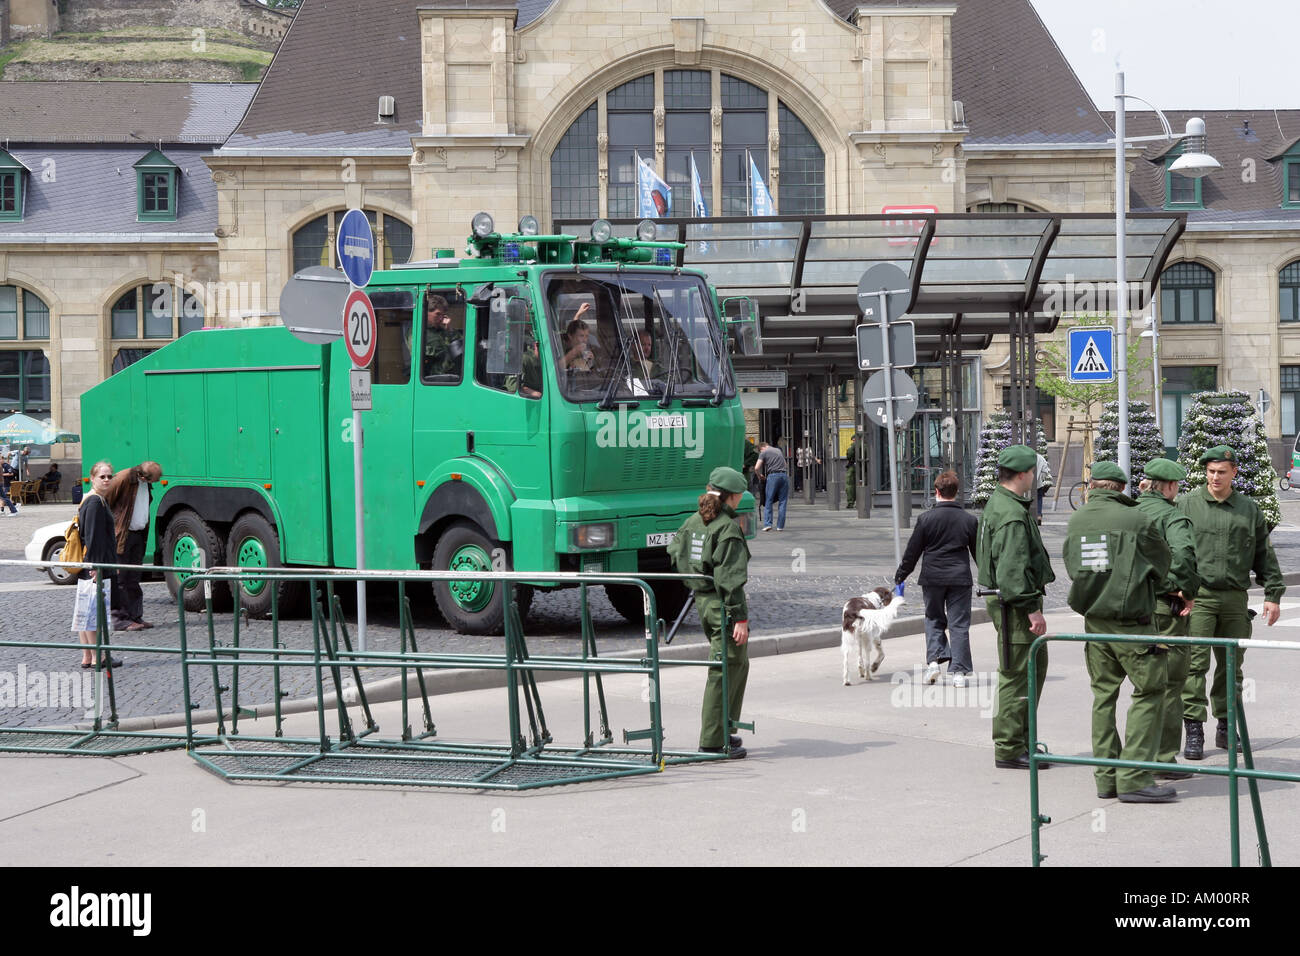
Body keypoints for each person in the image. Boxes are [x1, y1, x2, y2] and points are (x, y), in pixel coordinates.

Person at [1064, 461, 1174, 803]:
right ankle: (1135, 776)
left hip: (1095, 622)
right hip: (1133, 623)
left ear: (1092, 486)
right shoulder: (1137, 519)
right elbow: (1162, 562)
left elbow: (1072, 565)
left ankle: (1106, 777)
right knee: (1151, 691)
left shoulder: (1077, 519)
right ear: (1121, 489)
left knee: (1103, 696)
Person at [1178, 445, 1284, 759]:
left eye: (1221, 472)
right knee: (1195, 665)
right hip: (1200, 598)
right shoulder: (1187, 505)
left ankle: (1226, 726)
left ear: (1234, 472)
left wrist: (1272, 594)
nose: (1215, 477)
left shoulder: (1248, 509)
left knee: (1231, 666)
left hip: (1235, 599)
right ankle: (1193, 730)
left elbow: (1264, 554)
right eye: (1210, 471)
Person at [976, 444, 1055, 770]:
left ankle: (1019, 739)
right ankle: (1010, 747)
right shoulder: (1010, 514)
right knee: (1019, 675)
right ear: (1023, 475)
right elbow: (1012, 571)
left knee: (1024, 671)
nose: (1034, 478)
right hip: (1014, 605)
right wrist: (1031, 609)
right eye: (1033, 473)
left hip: (1007, 603)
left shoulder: (1001, 503)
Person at [668, 466, 752, 758]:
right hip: (721, 605)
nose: (740, 501)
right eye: (739, 497)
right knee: (723, 668)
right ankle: (713, 741)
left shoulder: (693, 521)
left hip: (703, 602)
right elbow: (730, 577)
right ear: (731, 497)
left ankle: (726, 727)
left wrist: (695, 578)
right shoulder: (726, 527)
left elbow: (674, 552)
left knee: (736, 663)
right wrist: (739, 617)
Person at [1135, 458, 1199, 777]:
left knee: (1142, 686)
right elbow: (1185, 556)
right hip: (1165, 608)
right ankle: (1163, 758)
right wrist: (1186, 590)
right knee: (1171, 684)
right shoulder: (1173, 516)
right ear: (1171, 487)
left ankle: (1136, 755)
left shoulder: (1131, 510)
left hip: (1132, 609)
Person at [894, 470, 978, 687]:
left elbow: (913, 551)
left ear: (936, 492)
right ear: (957, 492)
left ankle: (933, 663)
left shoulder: (925, 519)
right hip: (960, 578)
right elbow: (979, 552)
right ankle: (958, 673)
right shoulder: (969, 520)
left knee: (933, 618)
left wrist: (901, 574)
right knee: (959, 624)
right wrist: (991, 577)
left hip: (932, 577)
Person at [74, 461, 123, 669]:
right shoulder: (95, 502)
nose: (106, 480)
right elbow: (93, 536)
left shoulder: (92, 500)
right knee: (94, 611)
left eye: (109, 476)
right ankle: (98, 657)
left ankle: (87, 656)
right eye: (102, 476)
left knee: (84, 610)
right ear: (92, 478)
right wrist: (95, 566)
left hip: (91, 563)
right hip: (96, 564)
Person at [107, 461, 163, 632]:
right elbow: (106, 501)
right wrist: (112, 529)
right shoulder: (123, 478)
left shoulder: (145, 482)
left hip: (138, 535)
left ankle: (135, 616)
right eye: (153, 480)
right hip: (122, 535)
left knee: (133, 578)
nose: (154, 484)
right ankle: (120, 619)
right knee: (121, 579)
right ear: (142, 476)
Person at [422, 294, 464, 378]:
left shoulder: (443, 331)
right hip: (432, 377)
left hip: (451, 374)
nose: (441, 318)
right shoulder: (418, 331)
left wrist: (450, 330)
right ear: (426, 313)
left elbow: (462, 346)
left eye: (443, 315)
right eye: (437, 314)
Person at [755, 440, 789, 531]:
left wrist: (760, 476)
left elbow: (756, 467)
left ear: (762, 448)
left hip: (773, 476)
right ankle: (780, 526)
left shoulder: (764, 452)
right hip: (784, 476)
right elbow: (785, 465)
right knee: (783, 501)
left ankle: (768, 524)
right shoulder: (778, 450)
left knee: (769, 500)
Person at [1035, 452, 1053, 525]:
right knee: (1039, 498)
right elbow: (1045, 470)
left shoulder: (1023, 456)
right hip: (1038, 483)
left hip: (1026, 484)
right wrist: (1040, 478)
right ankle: (1039, 515)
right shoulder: (1040, 457)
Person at [845, 431, 862, 508]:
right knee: (861, 484)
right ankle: (861, 501)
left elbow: (849, 455)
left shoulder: (853, 446)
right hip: (863, 467)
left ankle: (851, 502)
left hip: (853, 466)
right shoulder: (865, 445)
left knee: (850, 485)